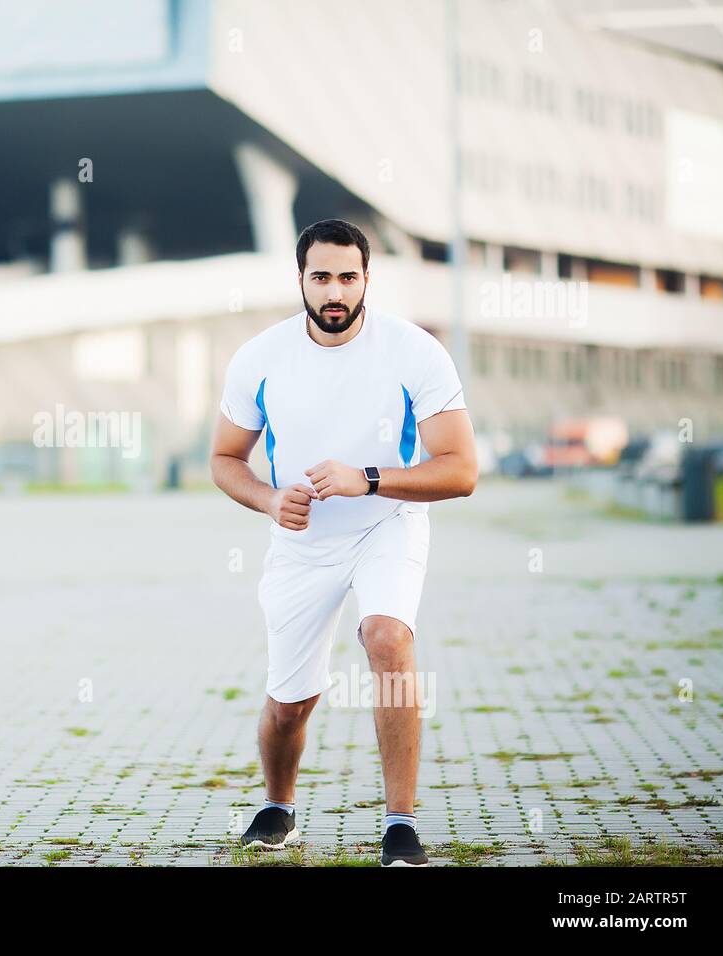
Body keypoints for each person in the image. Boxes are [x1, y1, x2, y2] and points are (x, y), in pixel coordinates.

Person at [210, 219, 478, 866]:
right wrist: (272, 499)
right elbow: (224, 459)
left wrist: (370, 479)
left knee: (387, 636)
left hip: (387, 521)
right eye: (321, 277)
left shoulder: (414, 352)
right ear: (300, 279)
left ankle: (400, 825)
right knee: (291, 700)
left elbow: (461, 470)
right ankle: (278, 807)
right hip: (301, 544)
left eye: (348, 277)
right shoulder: (260, 357)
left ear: (367, 280)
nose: (335, 291)